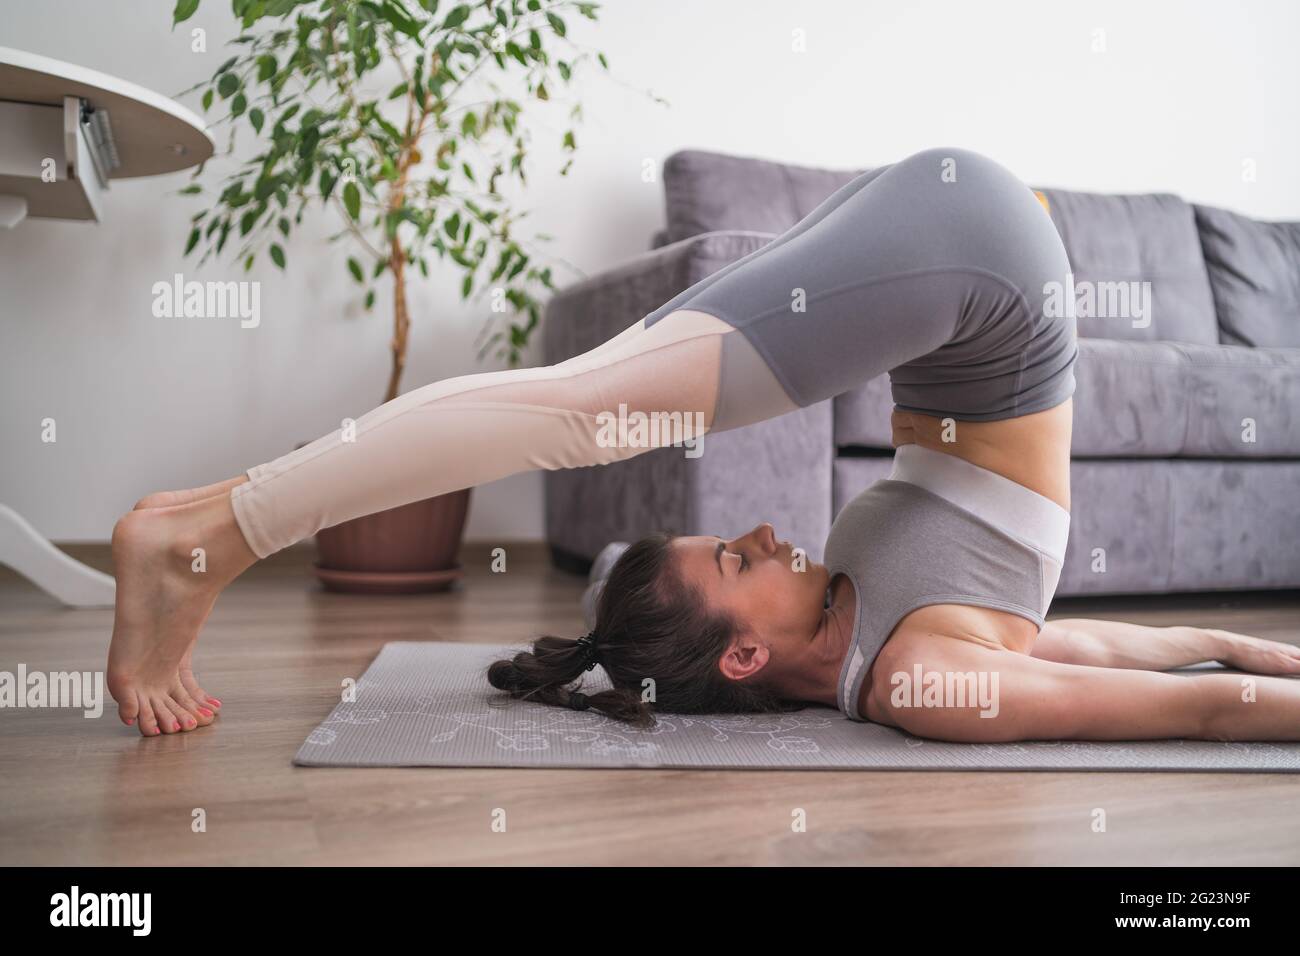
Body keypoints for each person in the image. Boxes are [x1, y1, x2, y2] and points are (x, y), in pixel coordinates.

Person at [109, 147, 1300, 740]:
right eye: (737, 559)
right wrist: (1236, 652)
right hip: (974, 256)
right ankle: (204, 529)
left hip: (970, 256)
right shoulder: (912, 680)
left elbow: (1069, 654)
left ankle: (201, 525)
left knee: (579, 401)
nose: (767, 532)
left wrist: (1221, 653)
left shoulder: (877, 637)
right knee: (574, 409)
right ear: (740, 658)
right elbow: (1133, 685)